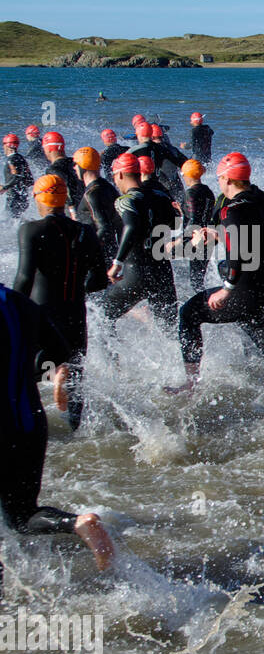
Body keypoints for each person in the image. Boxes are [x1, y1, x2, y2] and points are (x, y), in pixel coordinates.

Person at [173, 152, 264, 417]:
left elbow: (237, 253)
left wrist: (227, 289)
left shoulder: (231, 209)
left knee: (189, 313)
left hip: (244, 293)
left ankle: (190, 384)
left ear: (226, 179)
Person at [0, 278, 114, 587]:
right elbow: (60, 352)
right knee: (23, 513)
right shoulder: (22, 304)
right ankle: (76, 522)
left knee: (13, 519)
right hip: (30, 423)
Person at [14, 175, 109, 432]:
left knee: (24, 375)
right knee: (76, 383)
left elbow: (24, 277)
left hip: (42, 315)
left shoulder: (31, 230)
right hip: (75, 315)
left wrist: (13, 310)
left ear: (39, 198)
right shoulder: (85, 231)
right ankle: (75, 432)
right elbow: (100, 280)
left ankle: (30, 426)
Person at [99, 153, 181, 336]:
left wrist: (116, 263)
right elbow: (175, 222)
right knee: (170, 331)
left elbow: (132, 226)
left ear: (119, 175)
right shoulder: (160, 195)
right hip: (162, 272)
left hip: (135, 273)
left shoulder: (125, 200)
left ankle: (113, 364)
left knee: (102, 316)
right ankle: (175, 364)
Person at [73, 147, 121, 265]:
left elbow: (104, 228)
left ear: (82, 166)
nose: (74, 168)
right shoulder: (108, 187)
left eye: (75, 164)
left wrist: (85, 252)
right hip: (111, 251)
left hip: (97, 257)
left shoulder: (92, 194)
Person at [175, 160, 216, 294]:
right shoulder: (208, 191)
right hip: (208, 237)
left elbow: (193, 219)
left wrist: (183, 238)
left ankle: (206, 306)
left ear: (188, 175)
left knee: (195, 281)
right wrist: (182, 209)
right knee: (199, 277)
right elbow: (204, 213)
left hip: (196, 238)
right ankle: (207, 301)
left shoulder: (191, 193)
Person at [41, 132, 84, 209]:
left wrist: (72, 209)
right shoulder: (75, 162)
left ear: (48, 149)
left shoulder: (53, 169)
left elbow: (67, 186)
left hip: (71, 210)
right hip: (85, 205)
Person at [2, 133, 33, 218]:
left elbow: (17, 177)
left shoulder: (11, 160)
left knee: (10, 220)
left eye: (3, 144)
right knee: (18, 220)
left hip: (14, 198)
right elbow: (30, 180)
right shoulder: (21, 158)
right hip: (23, 197)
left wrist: (4, 188)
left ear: (7, 145)